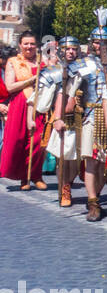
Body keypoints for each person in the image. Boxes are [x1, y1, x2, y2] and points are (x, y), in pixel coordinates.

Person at [53, 10, 107, 221]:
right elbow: (67, 91)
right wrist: (58, 116)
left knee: (104, 164)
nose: (100, 46)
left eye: (104, 42)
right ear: (92, 44)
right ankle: (92, 202)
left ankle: (97, 194)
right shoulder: (84, 65)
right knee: (91, 161)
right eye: (97, 42)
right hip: (91, 115)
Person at [1, 30, 49, 188]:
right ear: (20, 45)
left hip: (40, 105)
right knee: (20, 141)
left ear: (37, 45)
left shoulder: (43, 61)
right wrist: (32, 80)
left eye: (32, 43)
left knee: (38, 141)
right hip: (19, 105)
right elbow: (10, 87)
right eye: (26, 43)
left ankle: (36, 175)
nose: (29, 47)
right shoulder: (13, 62)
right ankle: (24, 177)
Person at [46, 35, 84, 208]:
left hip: (80, 119)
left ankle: (68, 183)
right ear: (61, 50)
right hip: (61, 118)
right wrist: (56, 117)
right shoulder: (53, 71)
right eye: (68, 49)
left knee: (75, 160)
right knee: (62, 158)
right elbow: (44, 98)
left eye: (74, 49)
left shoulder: (84, 69)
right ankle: (64, 188)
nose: (71, 52)